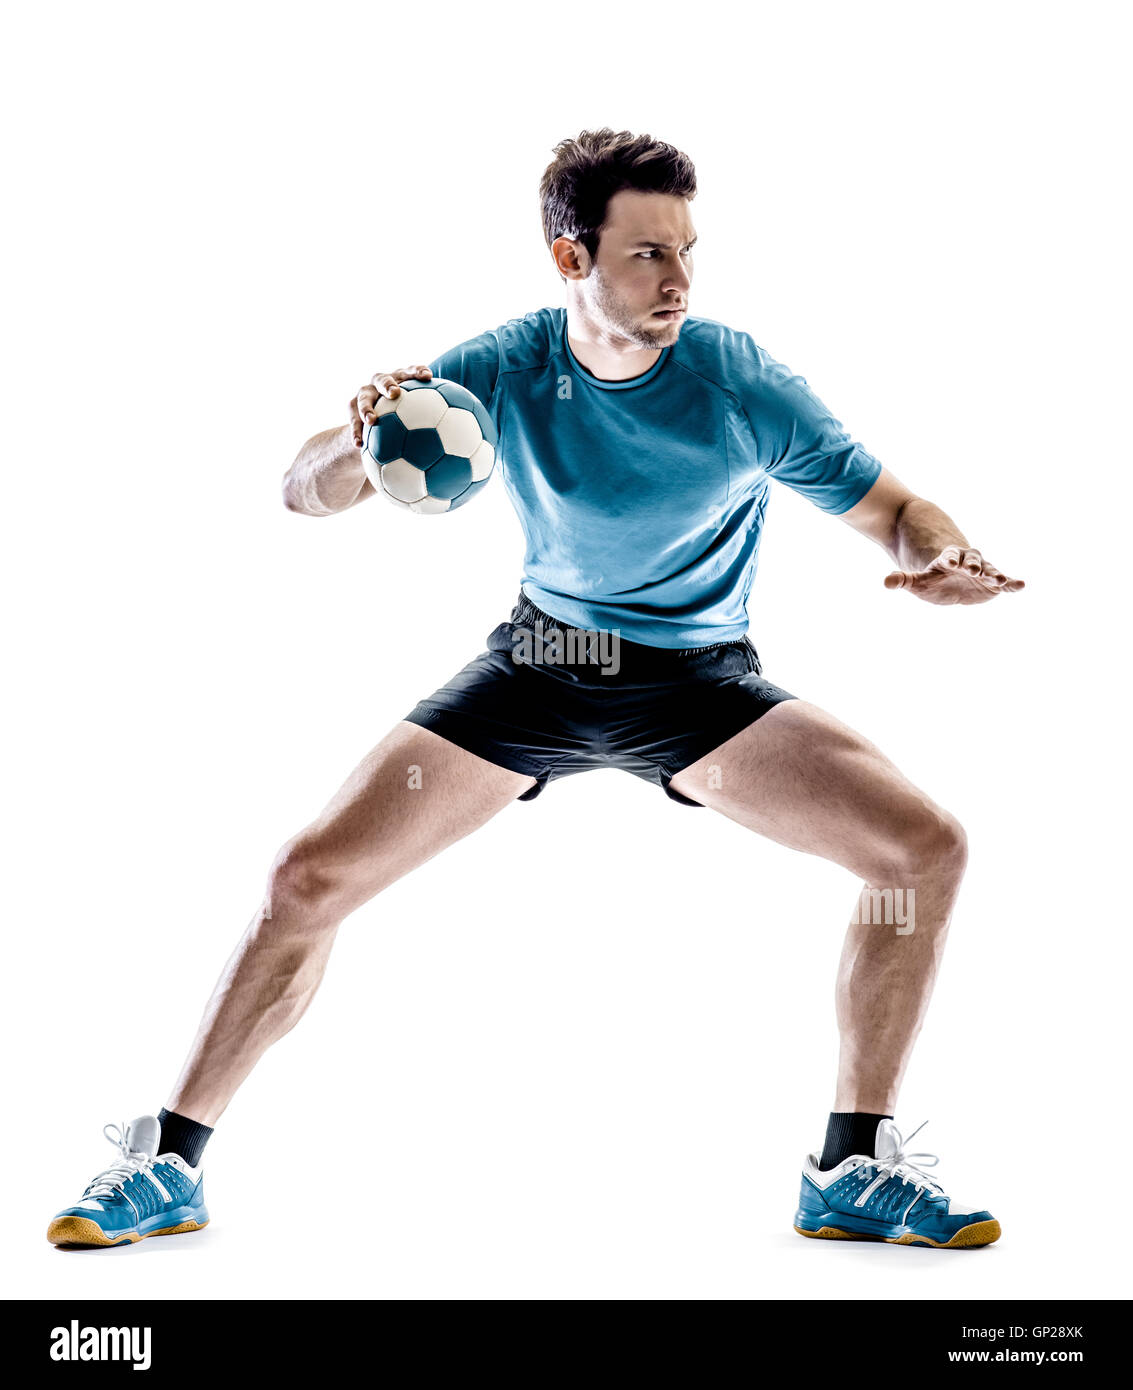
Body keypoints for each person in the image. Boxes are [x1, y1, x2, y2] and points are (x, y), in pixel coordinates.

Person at [48, 128, 1023, 1251]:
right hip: (544, 664)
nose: (679, 280)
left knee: (921, 850)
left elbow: (895, 508)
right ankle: (168, 1165)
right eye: (647, 254)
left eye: (687, 250)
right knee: (306, 875)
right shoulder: (504, 366)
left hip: (695, 685)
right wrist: (362, 447)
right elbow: (300, 491)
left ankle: (849, 1170)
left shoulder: (739, 381)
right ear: (571, 260)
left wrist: (942, 554)